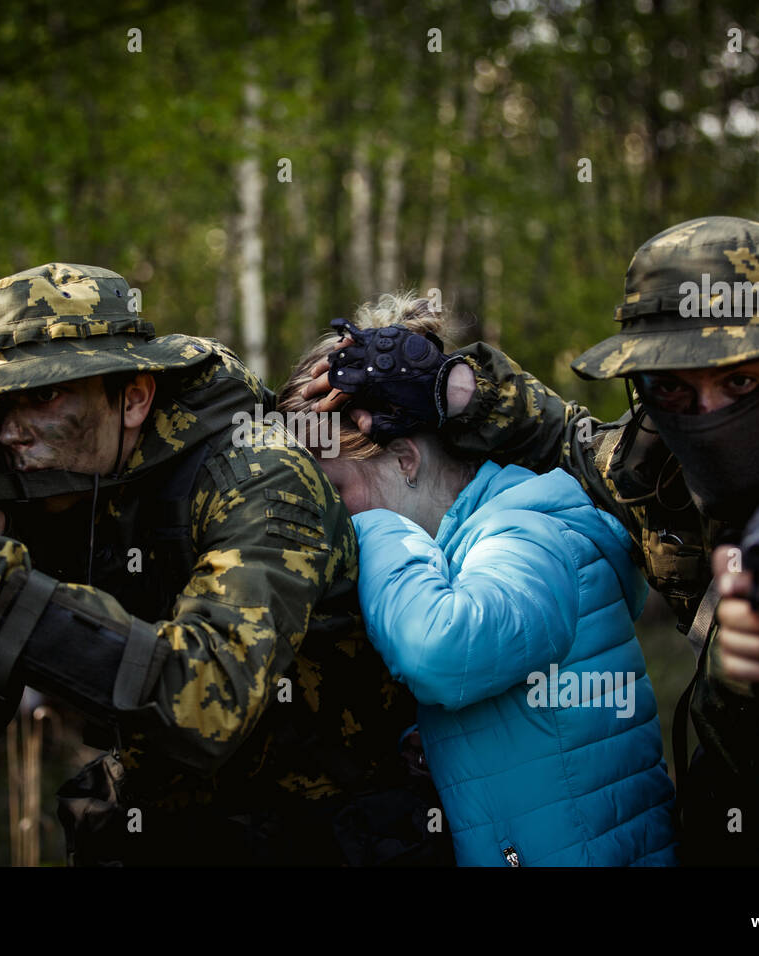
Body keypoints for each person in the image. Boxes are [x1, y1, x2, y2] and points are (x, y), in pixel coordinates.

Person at [304, 218, 759, 865]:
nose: (707, 411)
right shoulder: (667, 451)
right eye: (673, 386)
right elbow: (565, 442)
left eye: (740, 381)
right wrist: (448, 387)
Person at [0, 262, 449, 865]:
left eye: (45, 394)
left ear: (133, 397)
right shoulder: (50, 493)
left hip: (326, 835)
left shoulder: (260, 474)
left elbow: (209, 704)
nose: (10, 432)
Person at [276, 294, 678, 866]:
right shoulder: (459, 546)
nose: (335, 522)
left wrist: (372, 525)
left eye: (338, 493)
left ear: (405, 459)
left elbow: (442, 649)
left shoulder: (529, 531)